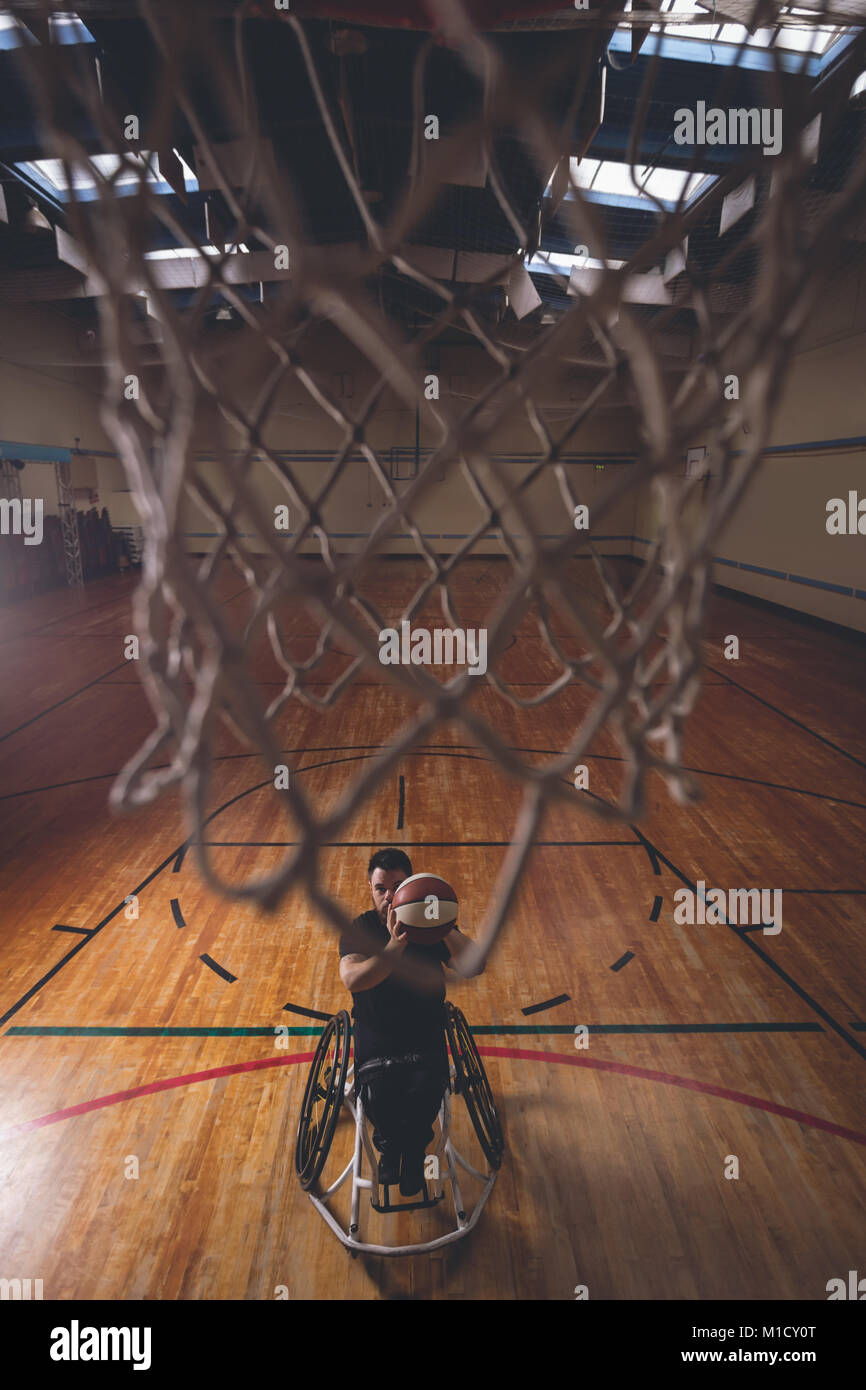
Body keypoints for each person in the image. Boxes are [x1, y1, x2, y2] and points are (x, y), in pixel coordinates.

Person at [339, 848, 483, 1198]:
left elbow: (473, 965)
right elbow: (353, 979)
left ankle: (415, 1152)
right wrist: (393, 946)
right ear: (370, 890)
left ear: (411, 886)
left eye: (398, 886)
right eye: (380, 888)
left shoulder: (431, 924)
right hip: (377, 1028)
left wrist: (444, 925)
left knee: (423, 1089)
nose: (388, 896)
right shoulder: (361, 927)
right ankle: (389, 1147)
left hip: (424, 1027)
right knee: (381, 1092)